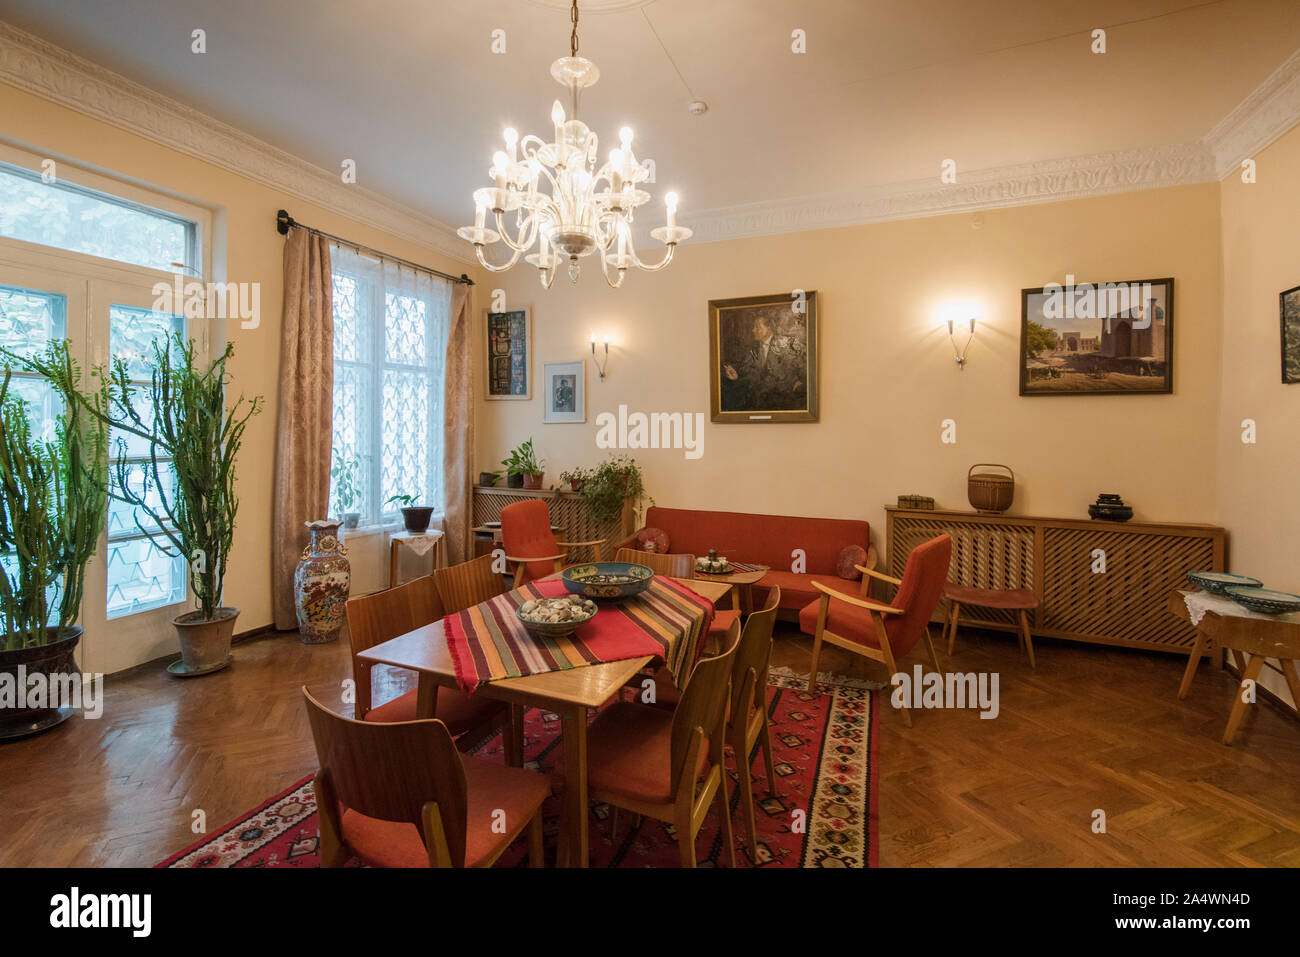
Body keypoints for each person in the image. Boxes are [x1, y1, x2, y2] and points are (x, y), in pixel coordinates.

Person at [721, 313, 805, 411]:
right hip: (761, 401)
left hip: (785, 400)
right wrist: (735, 372)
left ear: (769, 327)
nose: (753, 330)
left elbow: (802, 367)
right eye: (753, 327)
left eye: (757, 327)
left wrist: (799, 384)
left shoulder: (786, 344)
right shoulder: (754, 349)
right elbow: (744, 367)